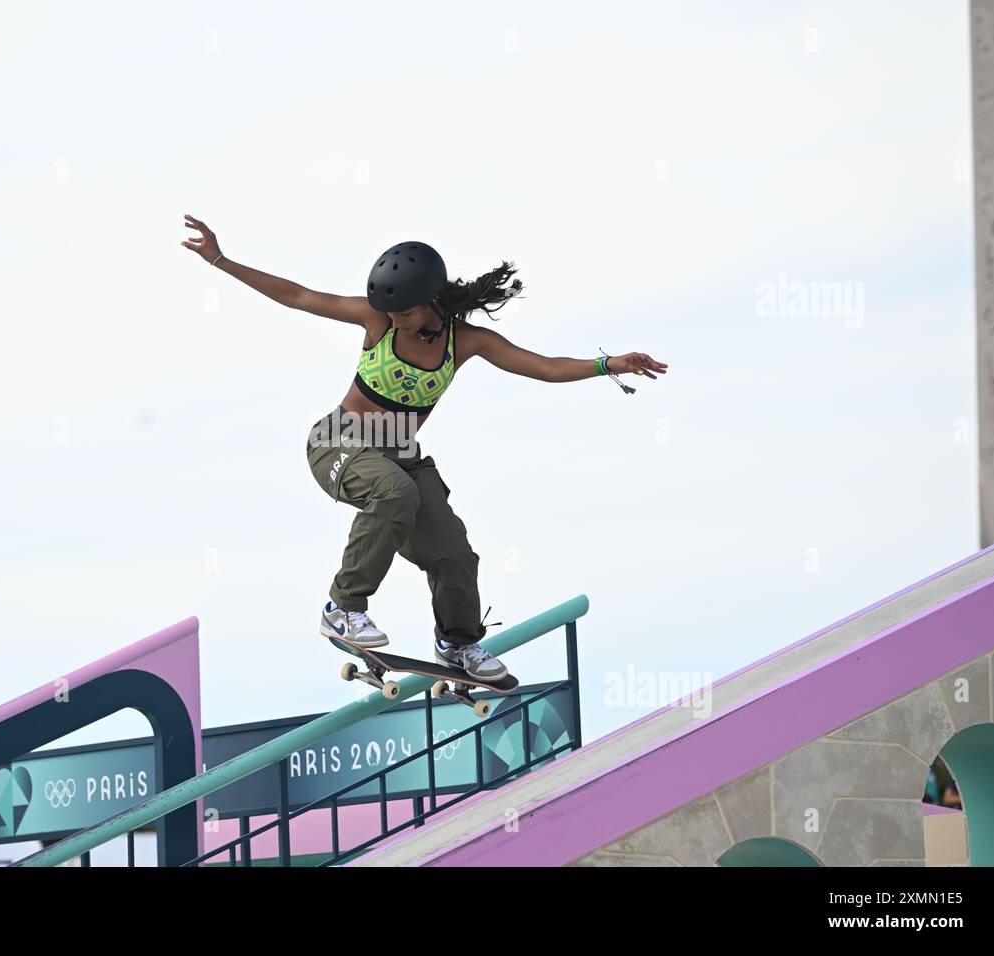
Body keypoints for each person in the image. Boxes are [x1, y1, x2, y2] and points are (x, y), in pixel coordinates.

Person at [183, 218, 667, 681]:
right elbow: (299, 296)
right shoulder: (376, 321)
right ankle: (343, 608)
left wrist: (610, 364)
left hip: (401, 455)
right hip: (337, 443)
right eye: (392, 314)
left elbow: (543, 366)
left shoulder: (468, 342)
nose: (398, 321)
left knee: (454, 553)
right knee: (394, 491)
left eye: (407, 313)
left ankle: (458, 644)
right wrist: (221, 259)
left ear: (432, 301)